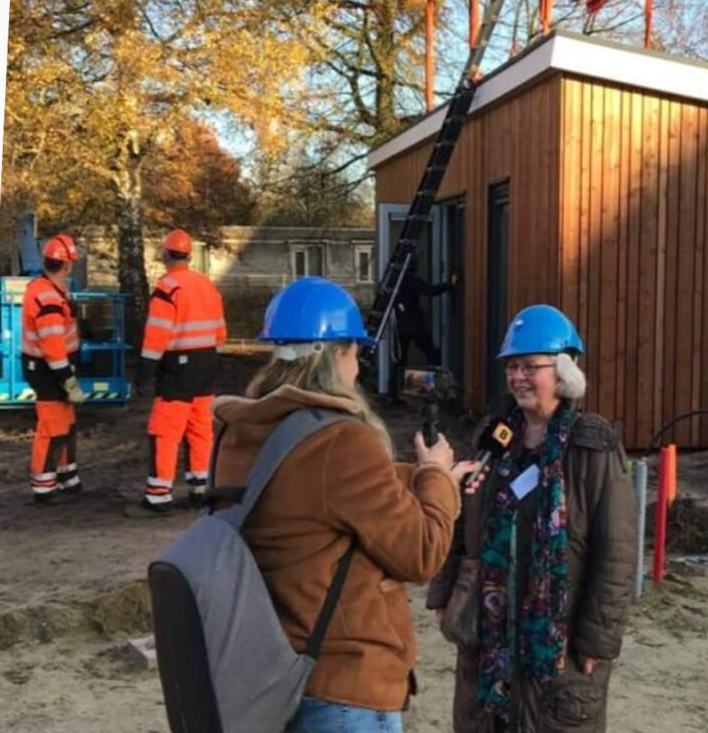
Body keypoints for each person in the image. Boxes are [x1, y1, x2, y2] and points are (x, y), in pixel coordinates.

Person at [210, 276, 476, 732]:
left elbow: (314, 497)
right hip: (345, 687)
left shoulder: (241, 433)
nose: (357, 371)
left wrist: (418, 476)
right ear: (336, 355)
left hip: (275, 673)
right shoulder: (341, 441)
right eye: (356, 354)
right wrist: (436, 478)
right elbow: (421, 553)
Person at [425, 305, 635, 733]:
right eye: (511, 367)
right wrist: (444, 593)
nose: (518, 377)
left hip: (560, 645)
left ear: (563, 371)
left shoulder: (591, 446)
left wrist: (598, 638)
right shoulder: (495, 436)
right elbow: (463, 519)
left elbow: (617, 549)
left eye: (529, 367)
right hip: (489, 638)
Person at [132, 228, 227, 516]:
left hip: (178, 368)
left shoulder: (167, 287)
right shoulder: (206, 285)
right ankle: (201, 488)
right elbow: (220, 332)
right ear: (189, 255)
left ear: (165, 255)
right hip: (207, 363)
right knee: (200, 428)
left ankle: (158, 495)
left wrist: (145, 371)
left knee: (165, 430)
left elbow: (156, 335)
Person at [19, 233, 89, 504]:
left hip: (50, 367)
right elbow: (53, 347)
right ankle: (43, 485)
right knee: (52, 426)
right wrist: (68, 380)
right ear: (67, 265)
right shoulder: (47, 296)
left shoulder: (49, 288)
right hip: (49, 369)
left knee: (66, 423)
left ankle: (66, 474)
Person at [389, 251, 457, 401]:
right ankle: (429, 390)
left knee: (400, 360)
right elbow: (429, 290)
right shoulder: (410, 279)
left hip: (400, 325)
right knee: (433, 353)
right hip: (413, 324)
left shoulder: (395, 279)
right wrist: (449, 285)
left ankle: (393, 395)